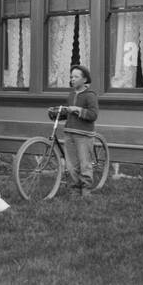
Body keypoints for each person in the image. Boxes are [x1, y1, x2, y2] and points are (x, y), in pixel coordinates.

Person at [48, 63, 100, 197]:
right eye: (71, 77)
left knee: (85, 164)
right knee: (71, 165)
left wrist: (78, 110)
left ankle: (86, 190)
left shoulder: (90, 95)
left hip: (84, 134)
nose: (72, 79)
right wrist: (57, 113)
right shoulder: (71, 95)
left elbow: (93, 115)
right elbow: (69, 113)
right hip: (69, 133)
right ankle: (75, 189)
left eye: (76, 77)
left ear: (84, 79)